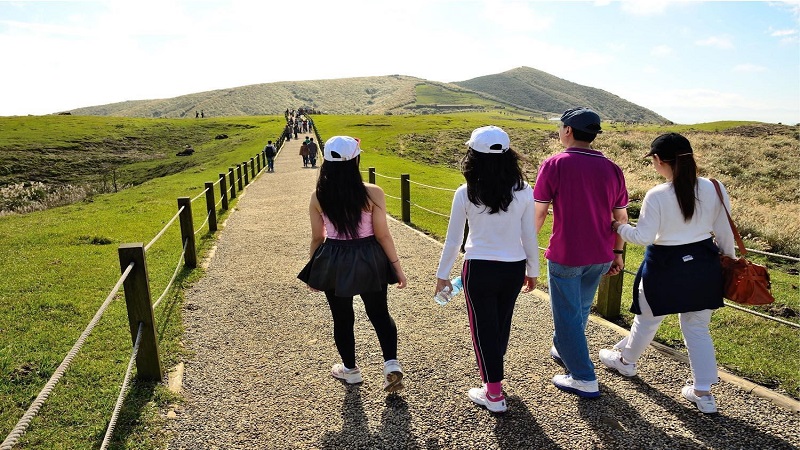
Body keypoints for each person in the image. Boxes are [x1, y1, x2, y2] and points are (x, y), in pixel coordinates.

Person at [601, 133, 734, 414]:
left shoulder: (658, 194)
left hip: (664, 266)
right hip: (704, 265)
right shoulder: (715, 187)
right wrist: (729, 266)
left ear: (659, 160)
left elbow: (643, 237)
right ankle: (703, 393)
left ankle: (626, 362)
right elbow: (724, 233)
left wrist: (618, 227)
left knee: (647, 320)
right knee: (697, 329)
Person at [435, 126, 539, 413]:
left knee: (483, 330)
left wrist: (442, 275)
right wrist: (533, 269)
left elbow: (454, 239)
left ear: (473, 156)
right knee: (500, 324)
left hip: (479, 269)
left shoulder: (466, 192)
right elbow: (529, 234)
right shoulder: (523, 190)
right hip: (514, 268)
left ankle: (494, 393)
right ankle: (494, 378)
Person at [297, 135, 408, 393]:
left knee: (342, 317)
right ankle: (391, 365)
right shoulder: (373, 193)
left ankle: (351, 370)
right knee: (379, 314)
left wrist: (315, 270)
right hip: (369, 256)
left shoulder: (318, 196)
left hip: (335, 258)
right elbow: (382, 235)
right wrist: (397, 267)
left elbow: (317, 237)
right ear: (356, 160)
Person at [533, 107, 628, 398]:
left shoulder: (554, 164)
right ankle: (564, 348)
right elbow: (621, 217)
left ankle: (583, 376)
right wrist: (617, 252)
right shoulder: (613, 168)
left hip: (567, 253)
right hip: (601, 253)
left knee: (567, 316)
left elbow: (539, 213)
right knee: (580, 310)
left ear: (568, 131)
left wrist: (525, 246)